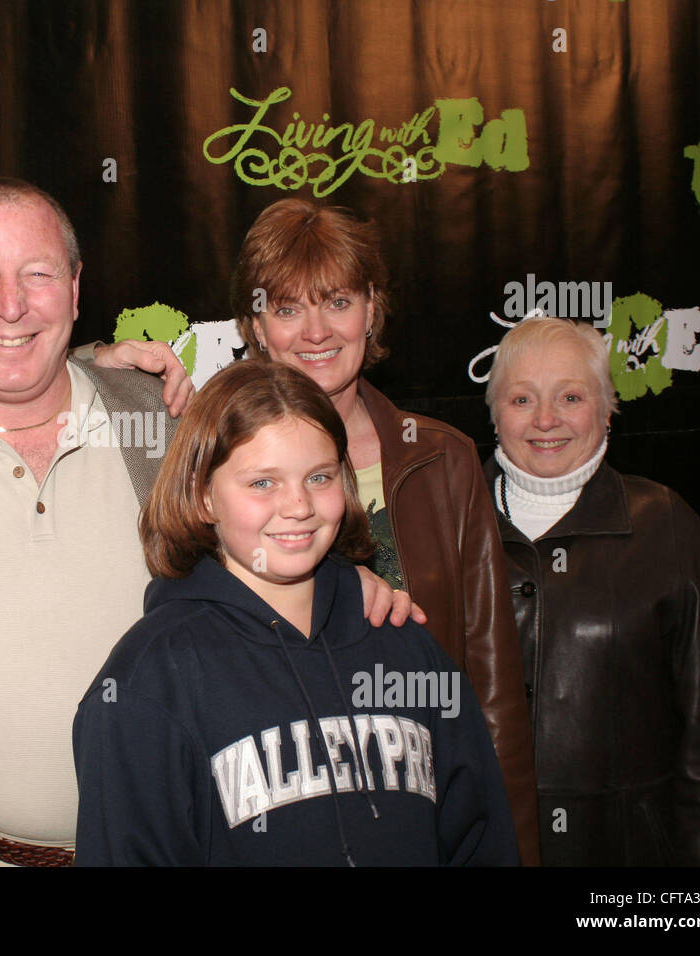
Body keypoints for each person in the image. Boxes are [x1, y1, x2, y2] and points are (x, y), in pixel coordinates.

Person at [0, 177, 419, 866]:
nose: (11, 304)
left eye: (38, 274)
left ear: (76, 289)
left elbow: (272, 525)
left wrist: (341, 588)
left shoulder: (165, 423)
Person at [73, 359, 518, 865]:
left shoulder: (405, 643)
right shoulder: (147, 684)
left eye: (319, 477)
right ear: (202, 497)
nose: (299, 506)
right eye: (262, 483)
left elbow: (482, 840)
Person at [229, 198, 540, 863]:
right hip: (275, 816)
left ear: (372, 309)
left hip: (424, 816)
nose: (316, 331)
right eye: (287, 308)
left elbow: (493, 686)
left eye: (337, 302)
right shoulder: (213, 465)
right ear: (257, 324)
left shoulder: (444, 461)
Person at [483, 316, 700, 865]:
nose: (545, 420)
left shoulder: (665, 524)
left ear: (607, 409)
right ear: (493, 414)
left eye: (570, 396)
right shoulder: (451, 522)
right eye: (521, 399)